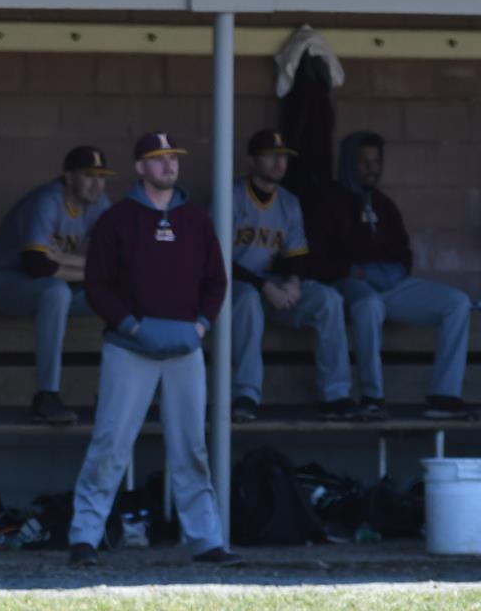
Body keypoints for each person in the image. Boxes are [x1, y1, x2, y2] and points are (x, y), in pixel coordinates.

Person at [67, 132, 235, 568]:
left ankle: (206, 540)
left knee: (191, 447)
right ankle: (84, 537)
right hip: (129, 349)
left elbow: (217, 281)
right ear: (139, 167)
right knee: (110, 444)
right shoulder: (117, 220)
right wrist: (131, 325)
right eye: (157, 160)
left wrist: (200, 326)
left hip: (184, 349)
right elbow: (97, 285)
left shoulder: (196, 219)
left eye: (173, 158)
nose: (168, 166)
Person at [307, 130, 474, 420]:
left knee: (457, 303)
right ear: (349, 163)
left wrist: (389, 272)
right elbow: (318, 260)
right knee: (370, 305)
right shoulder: (330, 201)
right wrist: (355, 270)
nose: (372, 169)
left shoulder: (384, 204)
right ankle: (373, 395)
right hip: (348, 283)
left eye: (376, 162)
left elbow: (404, 255)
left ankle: (444, 395)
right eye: (363, 162)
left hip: (387, 283)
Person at [225, 129, 356, 422]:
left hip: (269, 286)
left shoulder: (288, 202)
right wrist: (264, 287)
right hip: (232, 287)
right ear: (251, 161)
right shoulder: (230, 196)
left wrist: (294, 282)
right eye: (271, 156)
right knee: (247, 298)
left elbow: (296, 256)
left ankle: (335, 395)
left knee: (328, 299)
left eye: (283, 157)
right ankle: (246, 395)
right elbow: (217, 260)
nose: (279, 163)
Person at [0, 145, 115, 424]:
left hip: (50, 285)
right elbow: (36, 266)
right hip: (2, 282)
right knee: (56, 292)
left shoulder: (100, 204)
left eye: (101, 176)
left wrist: (65, 259)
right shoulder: (48, 201)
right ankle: (47, 396)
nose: (96, 183)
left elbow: (116, 265)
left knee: (118, 294)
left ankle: (113, 393)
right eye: (88, 175)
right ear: (68, 177)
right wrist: (92, 268)